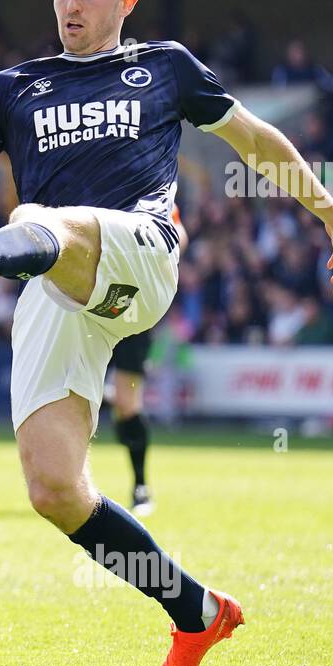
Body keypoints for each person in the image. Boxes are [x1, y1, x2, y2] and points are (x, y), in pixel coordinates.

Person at [0, 0, 333, 666]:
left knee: (43, 217)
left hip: (138, 254)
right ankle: (194, 609)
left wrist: (329, 213)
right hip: (56, 284)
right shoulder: (13, 87)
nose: (71, 6)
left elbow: (253, 140)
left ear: (125, 2)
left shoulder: (165, 67)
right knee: (53, 487)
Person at [106, 209, 188, 516]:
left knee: (127, 404)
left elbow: (179, 236)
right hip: (83, 301)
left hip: (132, 308)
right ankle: (69, 484)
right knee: (72, 395)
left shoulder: (149, 184)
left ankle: (141, 487)